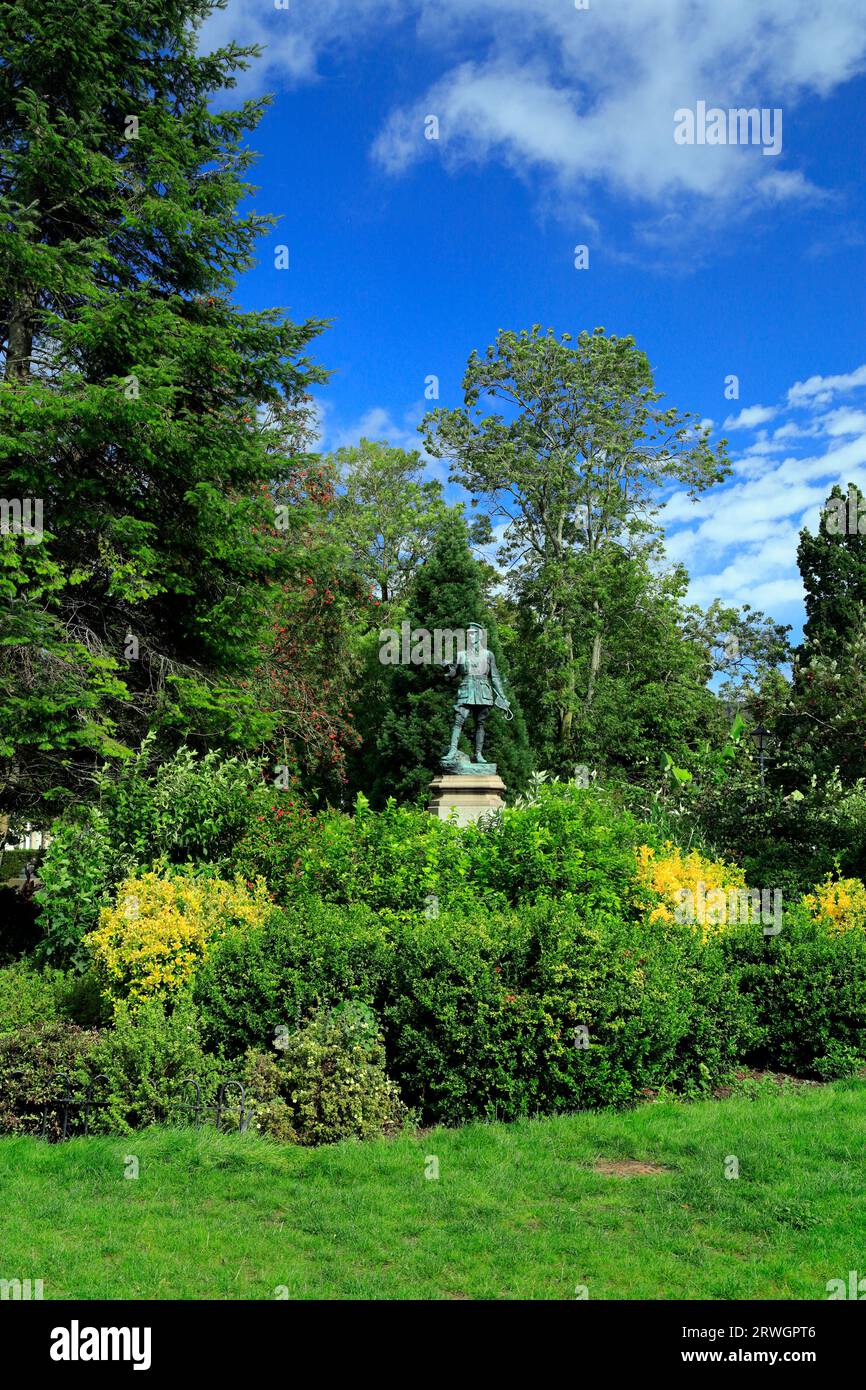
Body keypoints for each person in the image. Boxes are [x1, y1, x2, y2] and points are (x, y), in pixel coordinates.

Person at [443, 623, 512, 764]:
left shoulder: (488, 655)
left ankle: (478, 754)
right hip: (466, 690)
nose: (469, 636)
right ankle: (452, 750)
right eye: (468, 634)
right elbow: (452, 675)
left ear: (480, 635)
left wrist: (503, 696)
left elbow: (495, 677)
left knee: (480, 724)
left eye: (472, 633)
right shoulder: (460, 655)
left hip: (483, 691)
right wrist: (448, 669)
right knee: (458, 720)